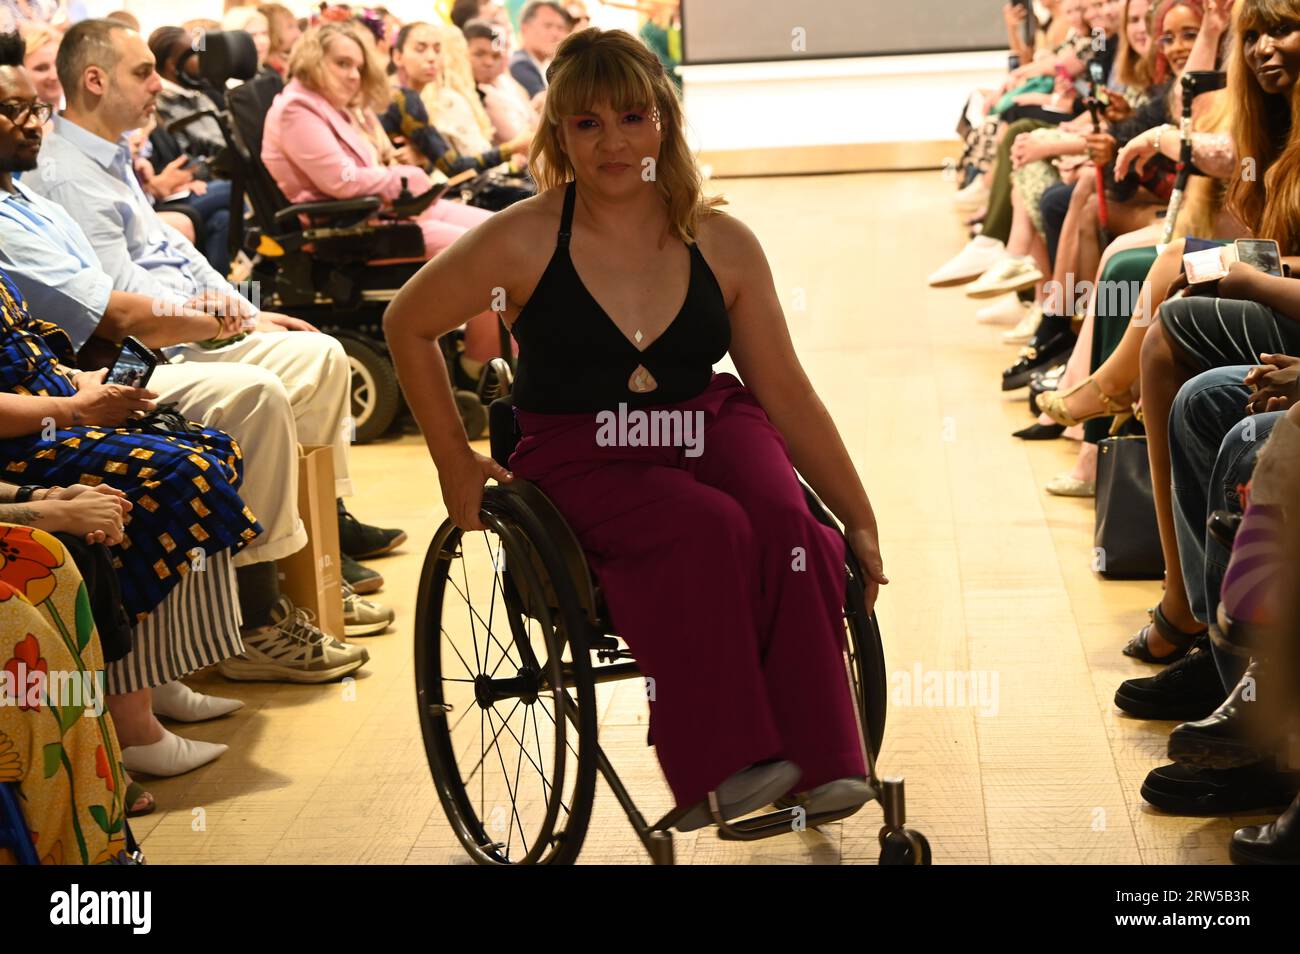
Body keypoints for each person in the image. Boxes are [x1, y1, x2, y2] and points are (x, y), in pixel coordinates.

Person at [384, 28, 888, 828]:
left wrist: (857, 515)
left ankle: (826, 760)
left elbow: (786, 392)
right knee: (705, 526)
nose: (614, 141)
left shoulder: (721, 240)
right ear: (560, 135)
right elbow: (408, 322)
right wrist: (453, 456)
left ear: (665, 123)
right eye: (588, 124)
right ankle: (721, 765)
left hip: (707, 419)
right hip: (579, 445)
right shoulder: (522, 236)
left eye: (633, 118)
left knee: (795, 529)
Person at [21, 19, 404, 595]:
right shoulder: (67, 175)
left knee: (322, 355)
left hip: (180, 322)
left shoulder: (107, 156)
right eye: (144, 71)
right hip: (152, 346)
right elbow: (126, 302)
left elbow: (172, 248)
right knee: (273, 385)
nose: (161, 84)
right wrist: (220, 320)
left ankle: (325, 527)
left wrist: (243, 310)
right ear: (96, 81)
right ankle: (269, 589)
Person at [262, 20, 502, 367]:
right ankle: (480, 363)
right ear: (313, 60)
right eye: (342, 64)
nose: (353, 75)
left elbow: (369, 166)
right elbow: (341, 182)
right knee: (487, 256)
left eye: (358, 67)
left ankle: (497, 349)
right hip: (348, 229)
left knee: (500, 231)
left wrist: (401, 174)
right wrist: (405, 177)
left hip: (384, 212)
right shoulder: (296, 110)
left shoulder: (331, 106)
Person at [509, 0, 568, 98]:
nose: (555, 34)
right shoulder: (520, 65)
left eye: (560, 28)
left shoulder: (546, 65)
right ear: (525, 29)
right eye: (548, 26)